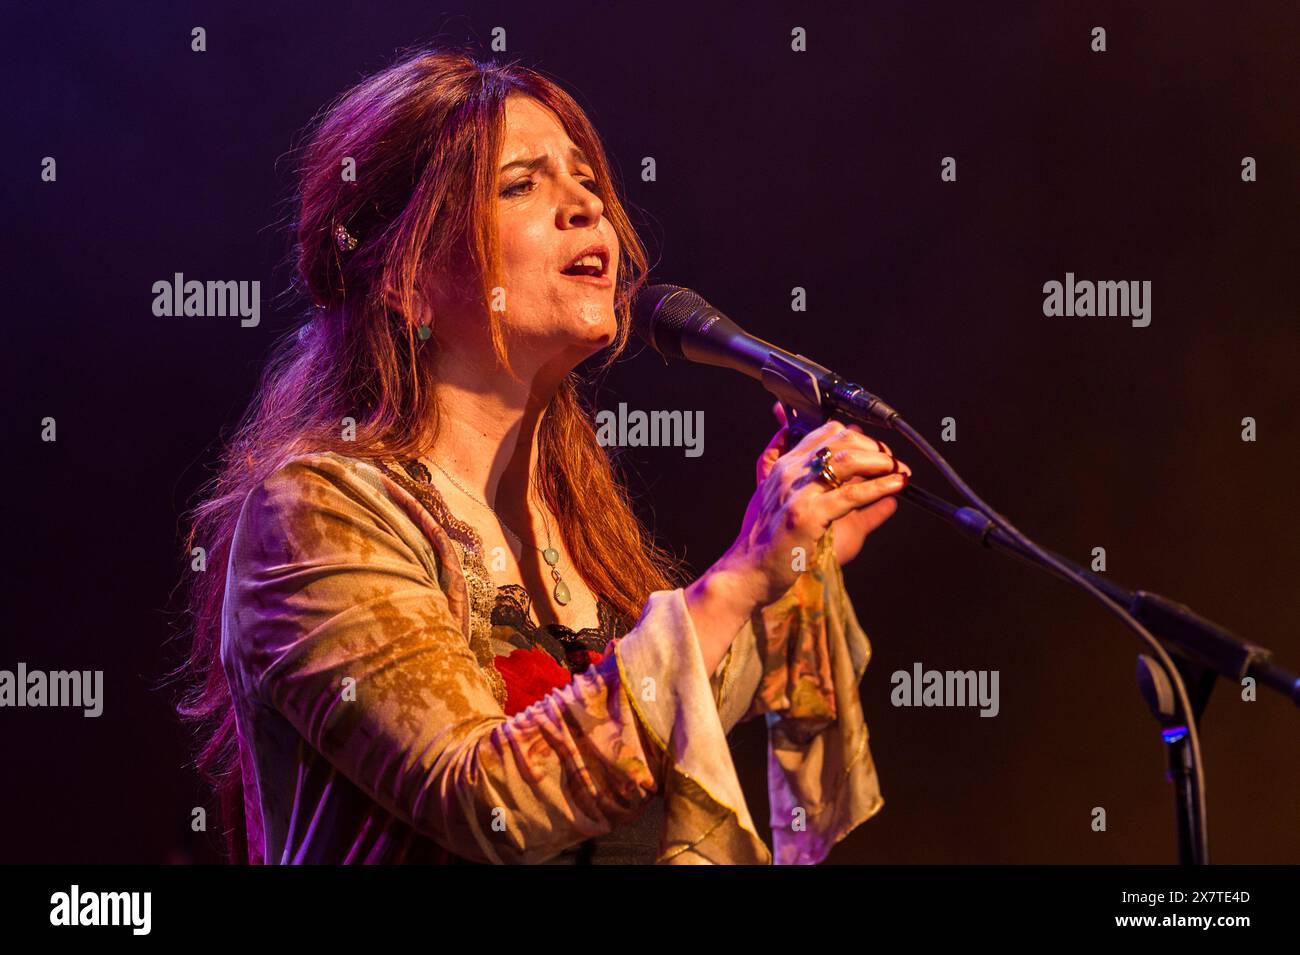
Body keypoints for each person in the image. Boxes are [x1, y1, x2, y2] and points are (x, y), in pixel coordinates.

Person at [174, 46, 912, 865]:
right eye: (521, 185)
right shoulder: (319, 511)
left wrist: (792, 560)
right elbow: (481, 796)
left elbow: (656, 718)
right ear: (407, 277)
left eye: (587, 180)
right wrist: (738, 576)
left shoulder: (573, 525)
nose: (585, 207)